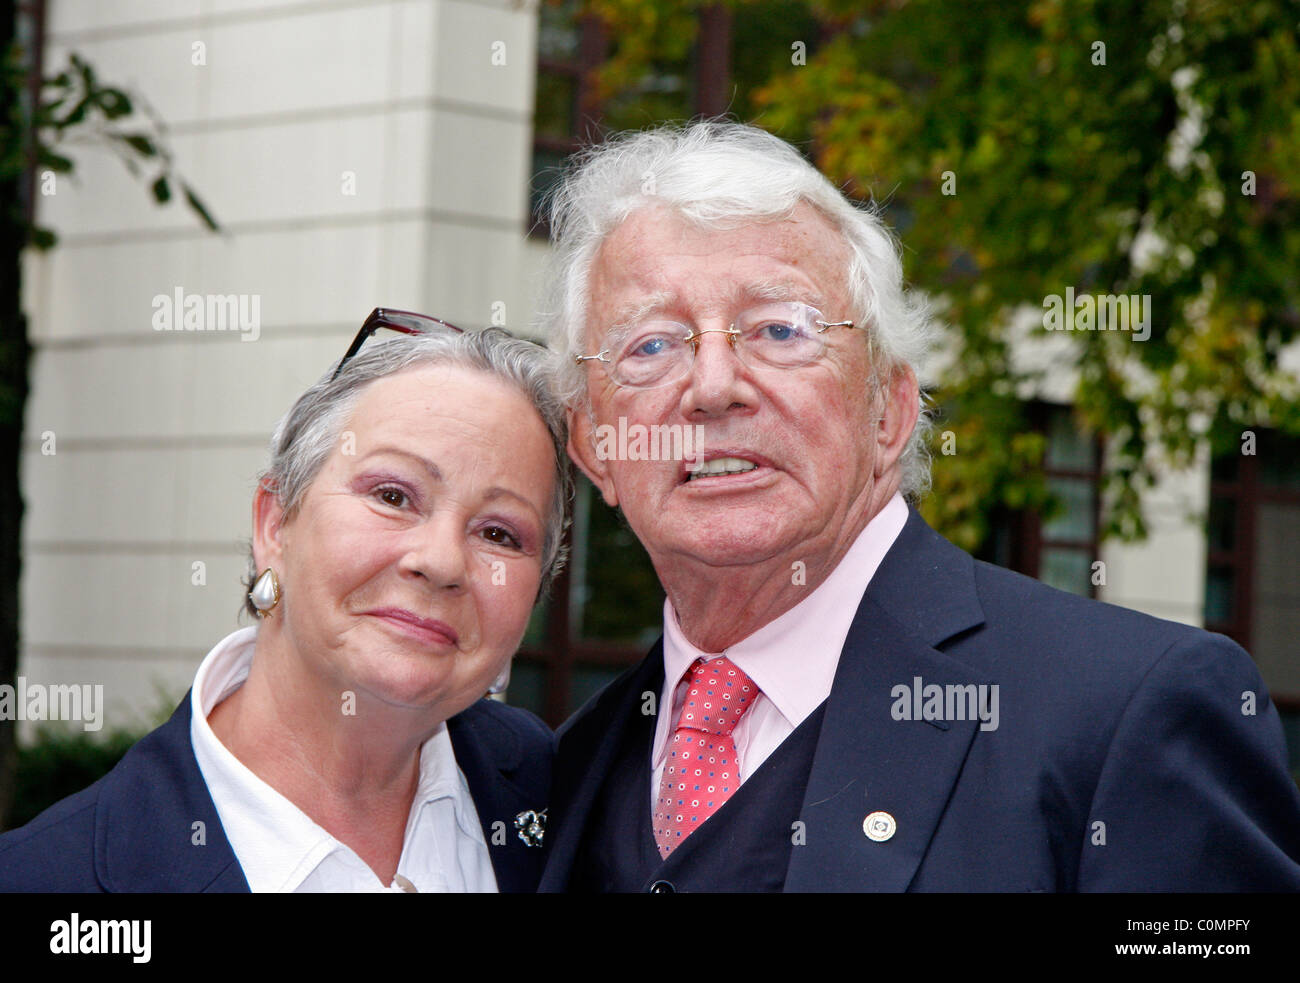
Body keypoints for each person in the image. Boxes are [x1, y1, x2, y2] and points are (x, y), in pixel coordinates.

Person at [535, 121, 1300, 892]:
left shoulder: (1132, 712)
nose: (712, 384)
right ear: (595, 446)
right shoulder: (557, 776)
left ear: (890, 411)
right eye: (650, 346)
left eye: (778, 329)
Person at [0, 312, 569, 892]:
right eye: (394, 495)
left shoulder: (568, 801)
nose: (443, 561)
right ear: (275, 524)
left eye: (500, 533)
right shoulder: (43, 878)